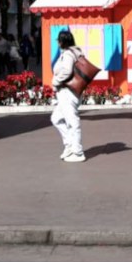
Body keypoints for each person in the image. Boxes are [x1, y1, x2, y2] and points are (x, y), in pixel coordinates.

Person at [51, 29, 85, 163]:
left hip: (68, 92)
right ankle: (69, 145)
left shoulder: (68, 54)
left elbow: (66, 71)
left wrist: (55, 81)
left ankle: (78, 152)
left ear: (62, 42)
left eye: (58, 40)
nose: (57, 42)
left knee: (72, 122)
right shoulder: (74, 52)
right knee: (56, 118)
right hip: (68, 92)